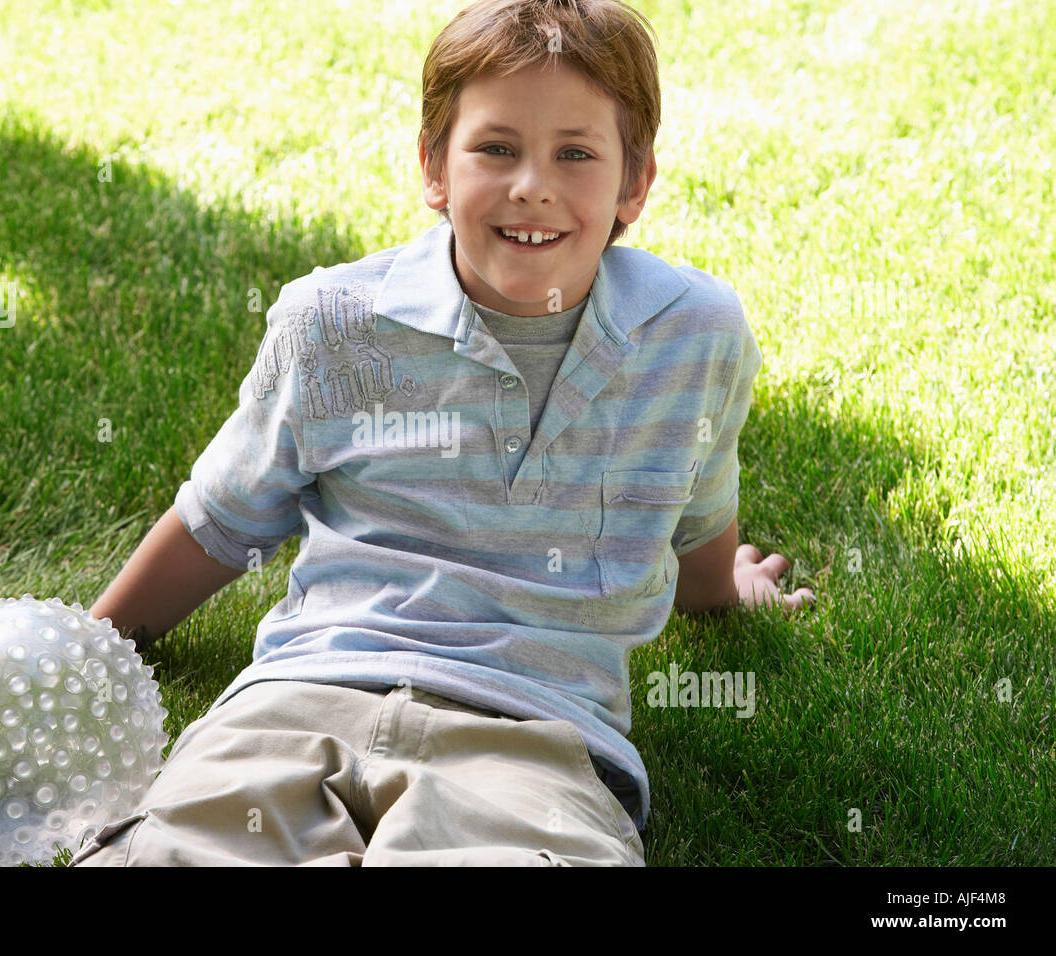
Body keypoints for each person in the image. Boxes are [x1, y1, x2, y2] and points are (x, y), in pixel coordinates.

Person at [71, 0, 815, 867]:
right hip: (297, 702)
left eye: (575, 154)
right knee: (170, 852)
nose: (532, 184)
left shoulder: (693, 335)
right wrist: (88, 650)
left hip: (529, 740)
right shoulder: (332, 322)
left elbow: (691, 509)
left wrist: (724, 585)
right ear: (434, 167)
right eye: (495, 148)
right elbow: (222, 520)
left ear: (634, 181)